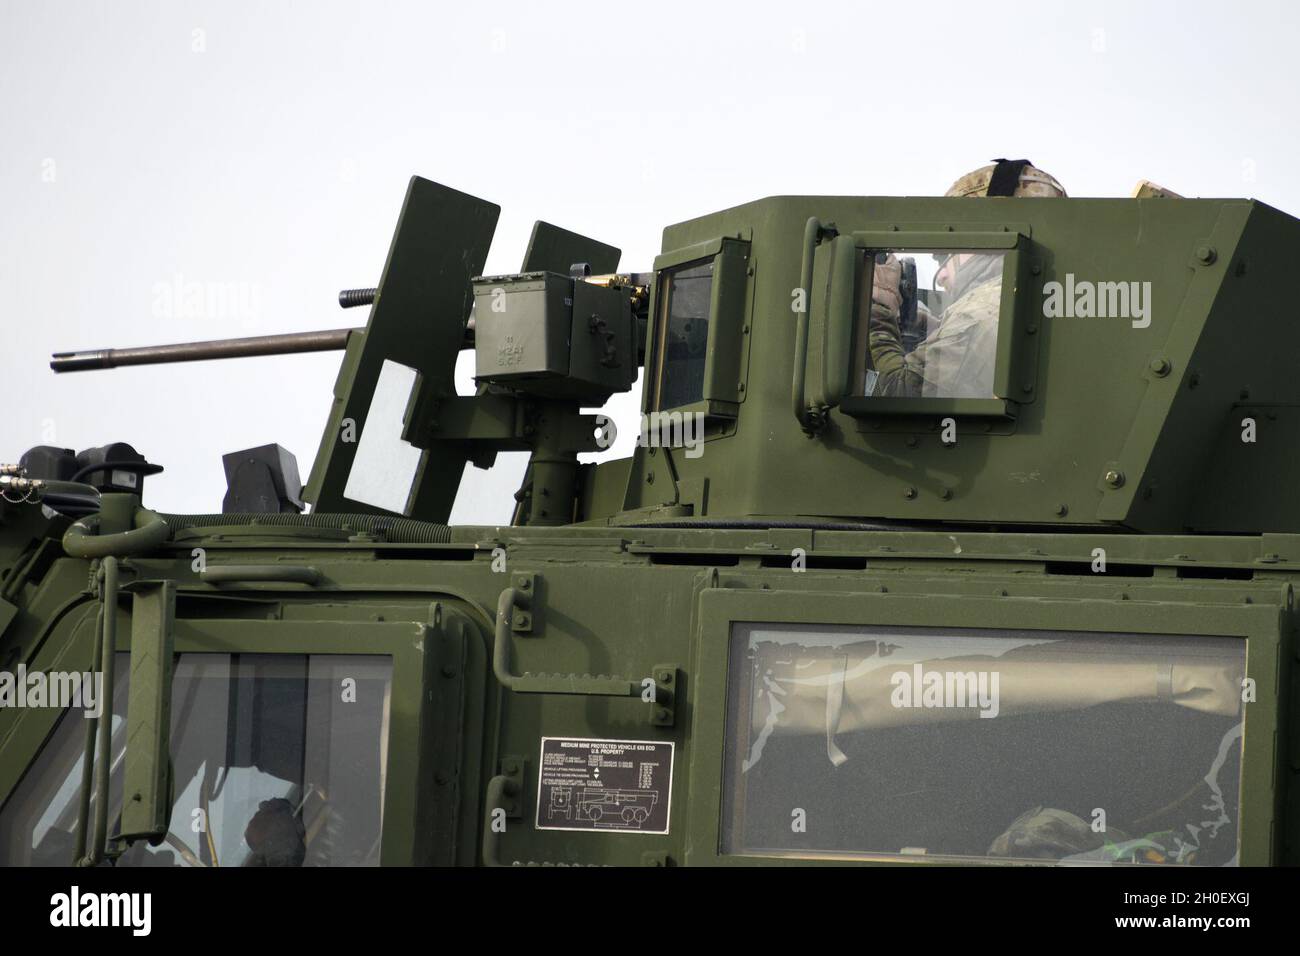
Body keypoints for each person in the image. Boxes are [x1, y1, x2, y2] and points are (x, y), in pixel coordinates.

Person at [864, 159, 1066, 399]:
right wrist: (926, 328)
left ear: (986, 237)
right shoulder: (1026, 297)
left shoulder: (981, 311)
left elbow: (898, 393)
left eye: (944, 254)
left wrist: (879, 309)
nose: (942, 277)